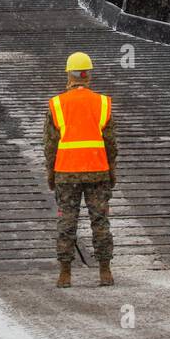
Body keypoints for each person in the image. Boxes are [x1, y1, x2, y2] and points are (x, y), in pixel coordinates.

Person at [43, 52, 117, 288]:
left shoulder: (57, 104)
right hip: (97, 171)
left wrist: (50, 173)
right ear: (89, 76)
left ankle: (65, 274)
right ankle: (105, 271)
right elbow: (111, 143)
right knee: (100, 220)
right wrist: (111, 170)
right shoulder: (103, 103)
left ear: (69, 74)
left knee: (67, 222)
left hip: (66, 173)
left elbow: (50, 144)